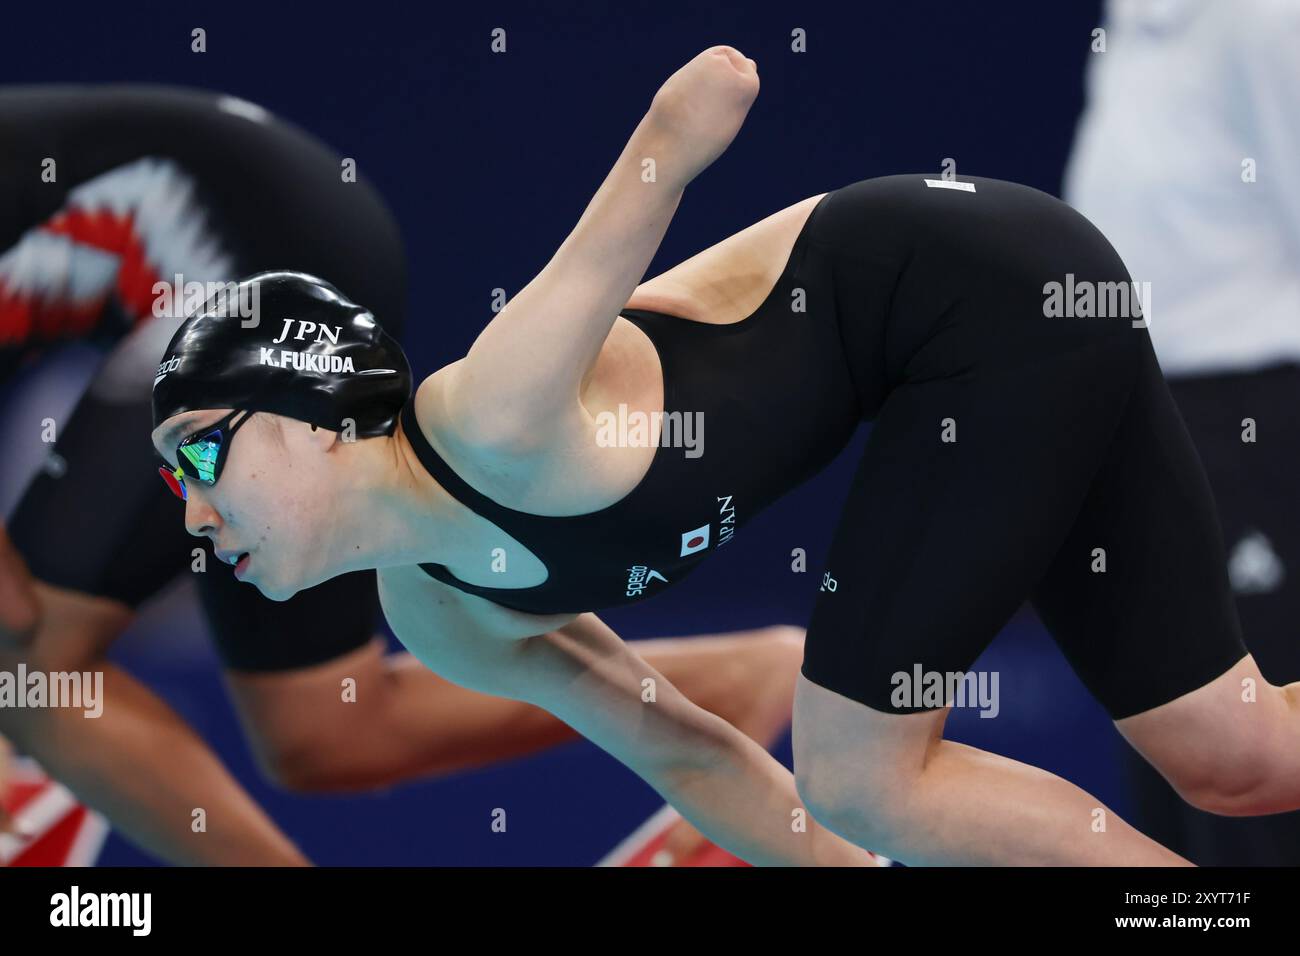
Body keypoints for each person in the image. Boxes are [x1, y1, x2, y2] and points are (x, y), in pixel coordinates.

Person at [152, 44, 1300, 866]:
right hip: (1015, 314)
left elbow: (657, 164)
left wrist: (703, 97)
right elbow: (697, 760)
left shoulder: (489, 414)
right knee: (1235, 752)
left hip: (974, 292)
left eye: (198, 458)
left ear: (309, 409)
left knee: (864, 776)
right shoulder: (444, 616)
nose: (190, 514)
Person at [0, 84, 805, 866]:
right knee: (319, 734)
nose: (193, 512)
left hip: (238, 255)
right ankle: (732, 682)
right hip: (268, 216)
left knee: (24, 665)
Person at [1064, 0, 1300, 864]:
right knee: (1165, 738)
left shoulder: (1267, 20)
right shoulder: (1129, 22)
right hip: (1136, 409)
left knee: (1255, 750)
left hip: (1258, 423)